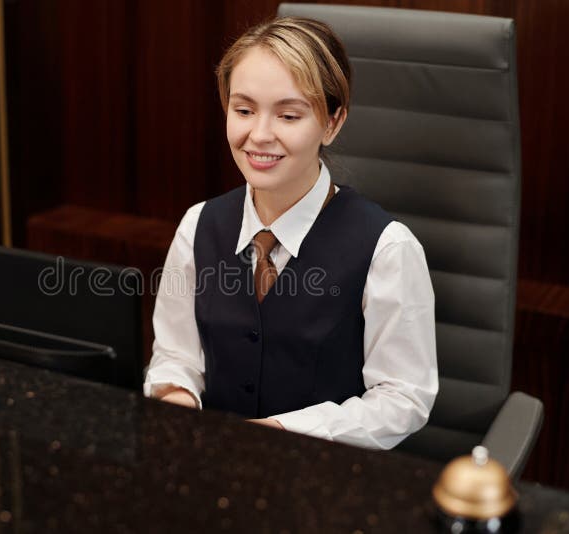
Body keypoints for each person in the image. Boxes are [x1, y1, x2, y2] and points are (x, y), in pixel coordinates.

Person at [143, 17, 438, 450]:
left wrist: (283, 433)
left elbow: (402, 398)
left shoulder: (388, 249)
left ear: (333, 122)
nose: (259, 135)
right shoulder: (197, 226)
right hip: (212, 467)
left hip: (327, 483)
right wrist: (178, 397)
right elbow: (176, 356)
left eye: (288, 115)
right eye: (243, 110)